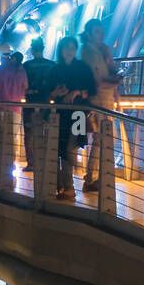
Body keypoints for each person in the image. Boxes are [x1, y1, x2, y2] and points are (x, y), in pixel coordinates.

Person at [51, 35, 95, 200]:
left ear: (75, 50)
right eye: (66, 48)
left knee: (70, 148)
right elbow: (49, 93)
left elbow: (91, 90)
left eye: (72, 48)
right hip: (61, 116)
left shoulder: (82, 68)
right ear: (60, 50)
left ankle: (68, 187)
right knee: (60, 150)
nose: (69, 51)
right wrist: (56, 93)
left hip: (78, 115)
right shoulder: (56, 70)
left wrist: (77, 92)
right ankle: (61, 186)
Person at [80, 19, 121, 192]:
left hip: (105, 100)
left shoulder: (99, 51)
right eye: (98, 31)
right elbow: (99, 82)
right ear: (89, 33)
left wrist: (108, 57)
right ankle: (91, 178)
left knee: (101, 140)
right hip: (99, 102)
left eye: (102, 31)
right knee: (102, 139)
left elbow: (108, 71)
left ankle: (93, 177)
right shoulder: (90, 53)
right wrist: (117, 81)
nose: (102, 34)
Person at [22, 36, 58, 170]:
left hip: (30, 103)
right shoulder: (52, 65)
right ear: (43, 49)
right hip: (47, 103)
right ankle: (45, 160)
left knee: (29, 133)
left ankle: (31, 162)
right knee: (46, 132)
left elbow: (23, 85)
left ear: (32, 50)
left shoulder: (26, 66)